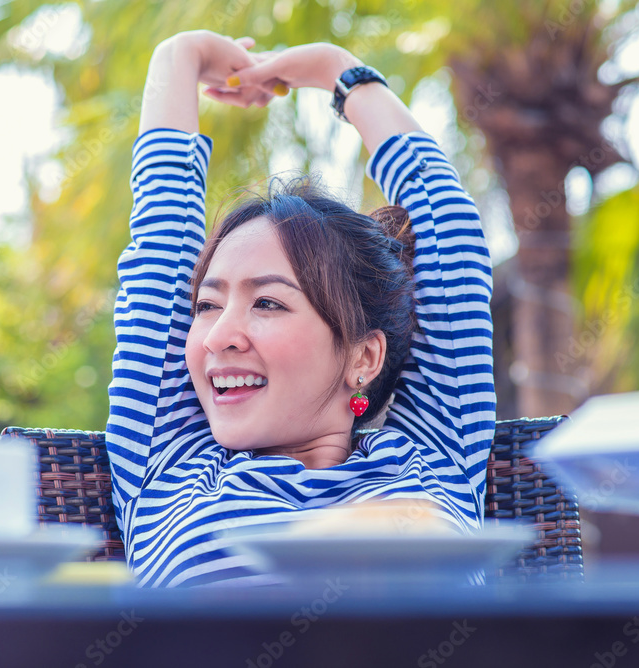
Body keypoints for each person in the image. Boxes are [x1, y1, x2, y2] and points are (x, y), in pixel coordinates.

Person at [105, 30, 496, 587]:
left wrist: (337, 70)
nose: (220, 335)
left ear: (363, 356)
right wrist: (181, 55)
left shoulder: (433, 458)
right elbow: (161, 237)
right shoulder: (167, 466)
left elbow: (448, 226)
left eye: (266, 302)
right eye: (207, 304)